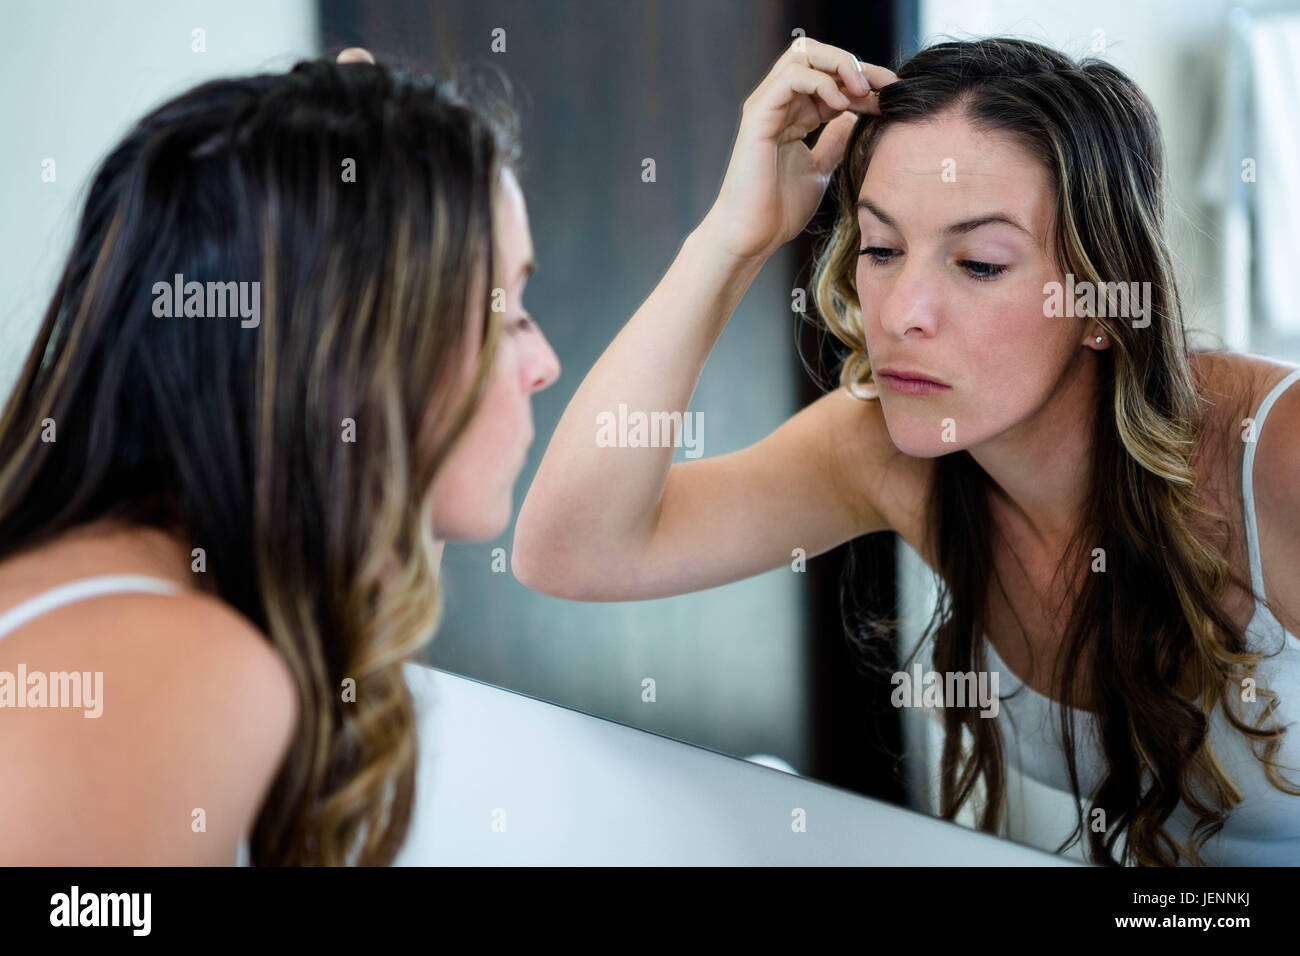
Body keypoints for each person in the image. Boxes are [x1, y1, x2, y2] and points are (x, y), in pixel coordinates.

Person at [512, 36, 1300, 866]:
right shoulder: (887, 453)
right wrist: (732, 240)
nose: (900, 312)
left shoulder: (1275, 454)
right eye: (882, 249)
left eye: (979, 264)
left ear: (1103, 300)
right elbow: (574, 549)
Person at [0, 48, 559, 865]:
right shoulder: (180, 668)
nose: (544, 362)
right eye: (506, 312)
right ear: (351, 352)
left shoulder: (105, 593)